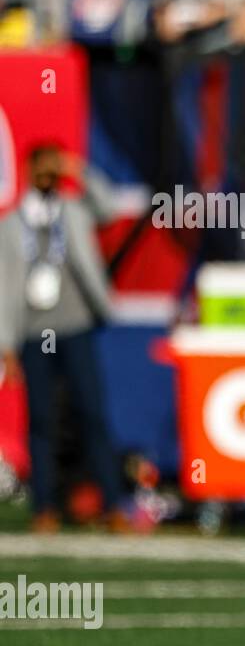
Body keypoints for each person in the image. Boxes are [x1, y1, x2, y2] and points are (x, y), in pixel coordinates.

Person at [0, 145, 126, 533]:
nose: (48, 173)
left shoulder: (72, 209)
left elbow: (110, 205)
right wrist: (5, 344)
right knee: (41, 419)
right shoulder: (12, 225)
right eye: (43, 165)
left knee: (92, 412)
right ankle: (45, 507)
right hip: (35, 333)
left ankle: (113, 503)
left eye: (54, 165)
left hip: (74, 326)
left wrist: (77, 168)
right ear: (28, 169)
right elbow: (4, 287)